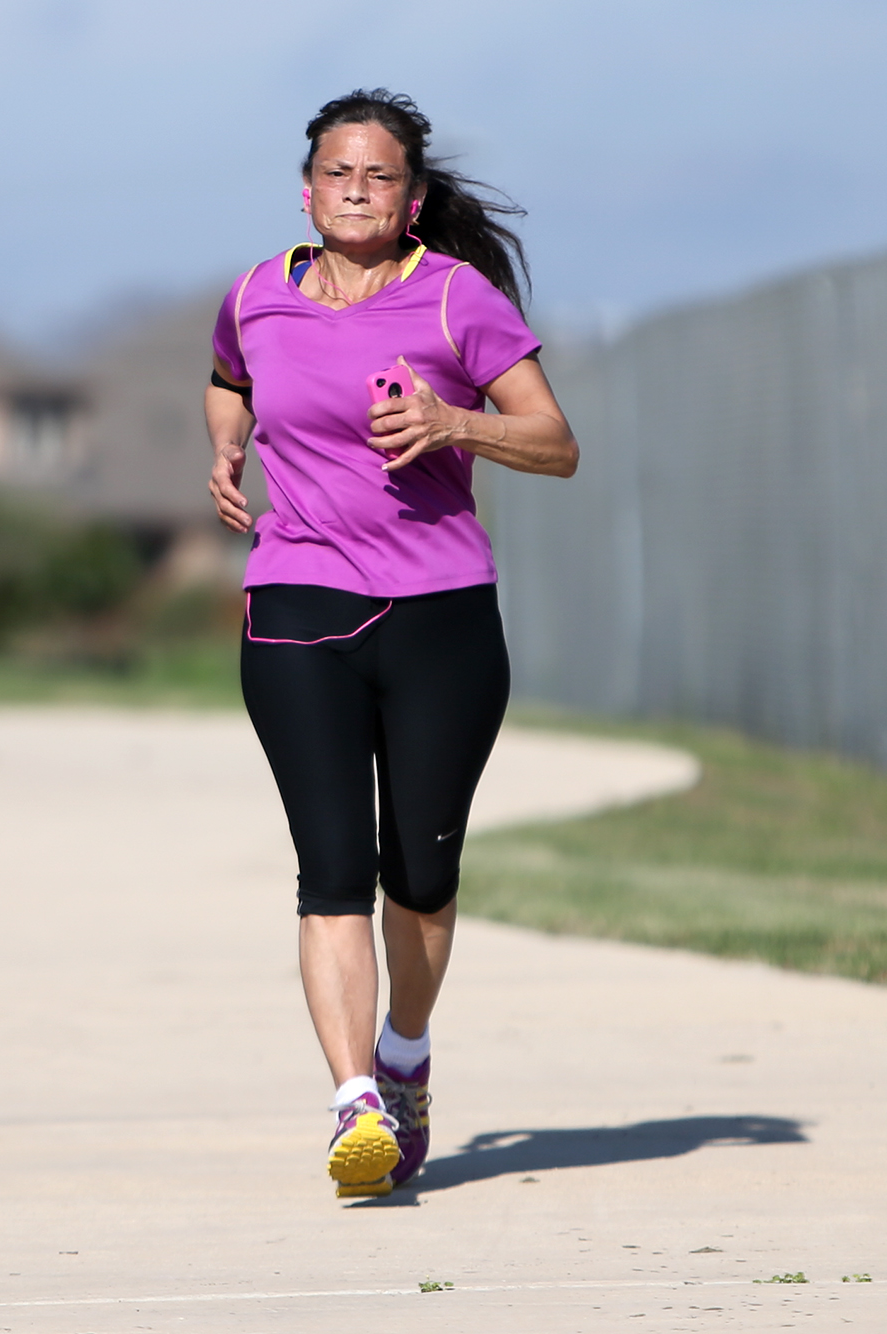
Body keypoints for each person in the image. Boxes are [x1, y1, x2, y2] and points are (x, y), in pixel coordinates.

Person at [205, 88, 578, 1198]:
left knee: (417, 873)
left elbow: (556, 444)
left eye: (376, 175)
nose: (353, 190)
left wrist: (452, 421)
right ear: (307, 187)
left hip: (438, 616)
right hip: (295, 605)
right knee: (330, 871)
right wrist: (225, 451)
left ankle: (402, 1057)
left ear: (409, 199)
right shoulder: (256, 293)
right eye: (335, 171)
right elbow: (229, 375)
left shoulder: (457, 301)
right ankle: (350, 1103)